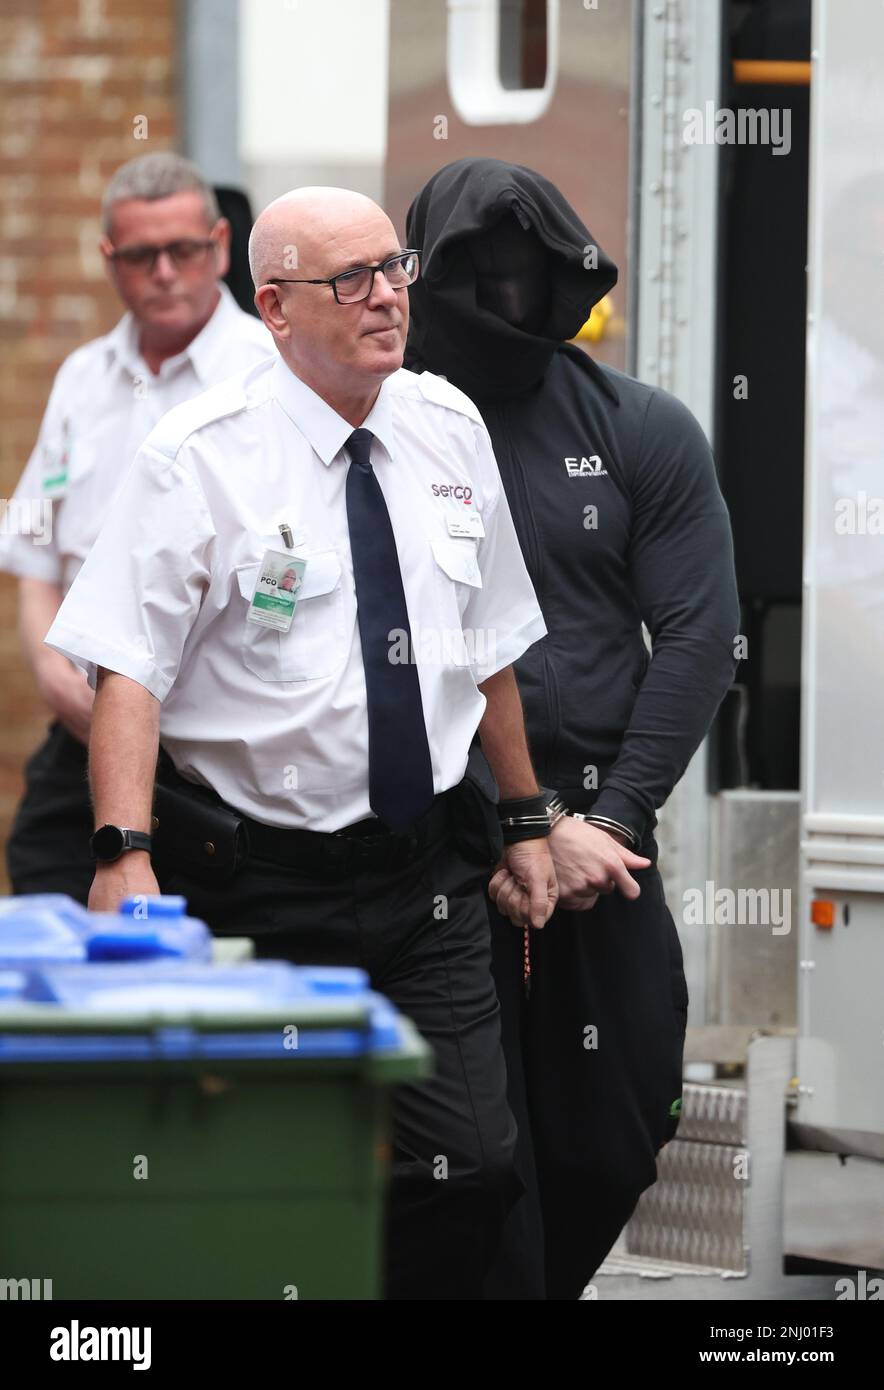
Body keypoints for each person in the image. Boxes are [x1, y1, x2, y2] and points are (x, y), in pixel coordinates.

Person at [44, 185, 559, 1300]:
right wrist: (120, 850)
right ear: (274, 307)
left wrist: (526, 820)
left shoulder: (446, 425)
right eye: (351, 280)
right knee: (253, 1176)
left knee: (471, 1169)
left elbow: (491, 643)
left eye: (394, 267)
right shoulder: (200, 455)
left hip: (423, 882)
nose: (386, 297)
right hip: (259, 891)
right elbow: (130, 667)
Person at [405, 157, 740, 1299]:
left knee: (614, 1132)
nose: (503, 292)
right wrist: (511, 824)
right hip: (438, 852)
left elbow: (698, 634)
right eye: (475, 269)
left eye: (525, 267)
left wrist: (610, 816)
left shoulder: (640, 427)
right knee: (469, 1166)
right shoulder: (381, 432)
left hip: (605, 846)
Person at [0, 152, 273, 903]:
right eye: (140, 255)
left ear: (219, 246)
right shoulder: (85, 376)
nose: (163, 273)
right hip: (81, 733)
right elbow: (34, 553)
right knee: (45, 900)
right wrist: (55, 674)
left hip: (206, 748)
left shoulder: (270, 375)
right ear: (108, 259)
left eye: (182, 251)